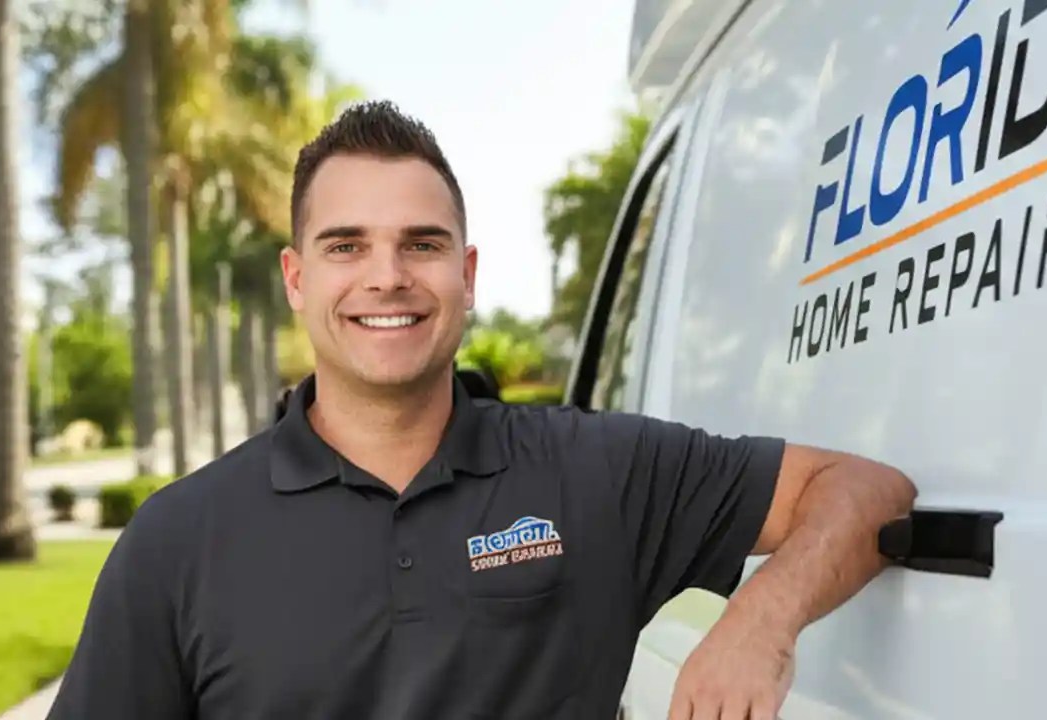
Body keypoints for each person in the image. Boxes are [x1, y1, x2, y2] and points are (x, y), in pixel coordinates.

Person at [48, 100, 916, 720]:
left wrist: (758, 620)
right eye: (347, 245)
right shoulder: (177, 542)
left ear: (465, 278)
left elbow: (865, 490)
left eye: (420, 246)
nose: (387, 275)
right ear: (297, 279)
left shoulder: (597, 473)